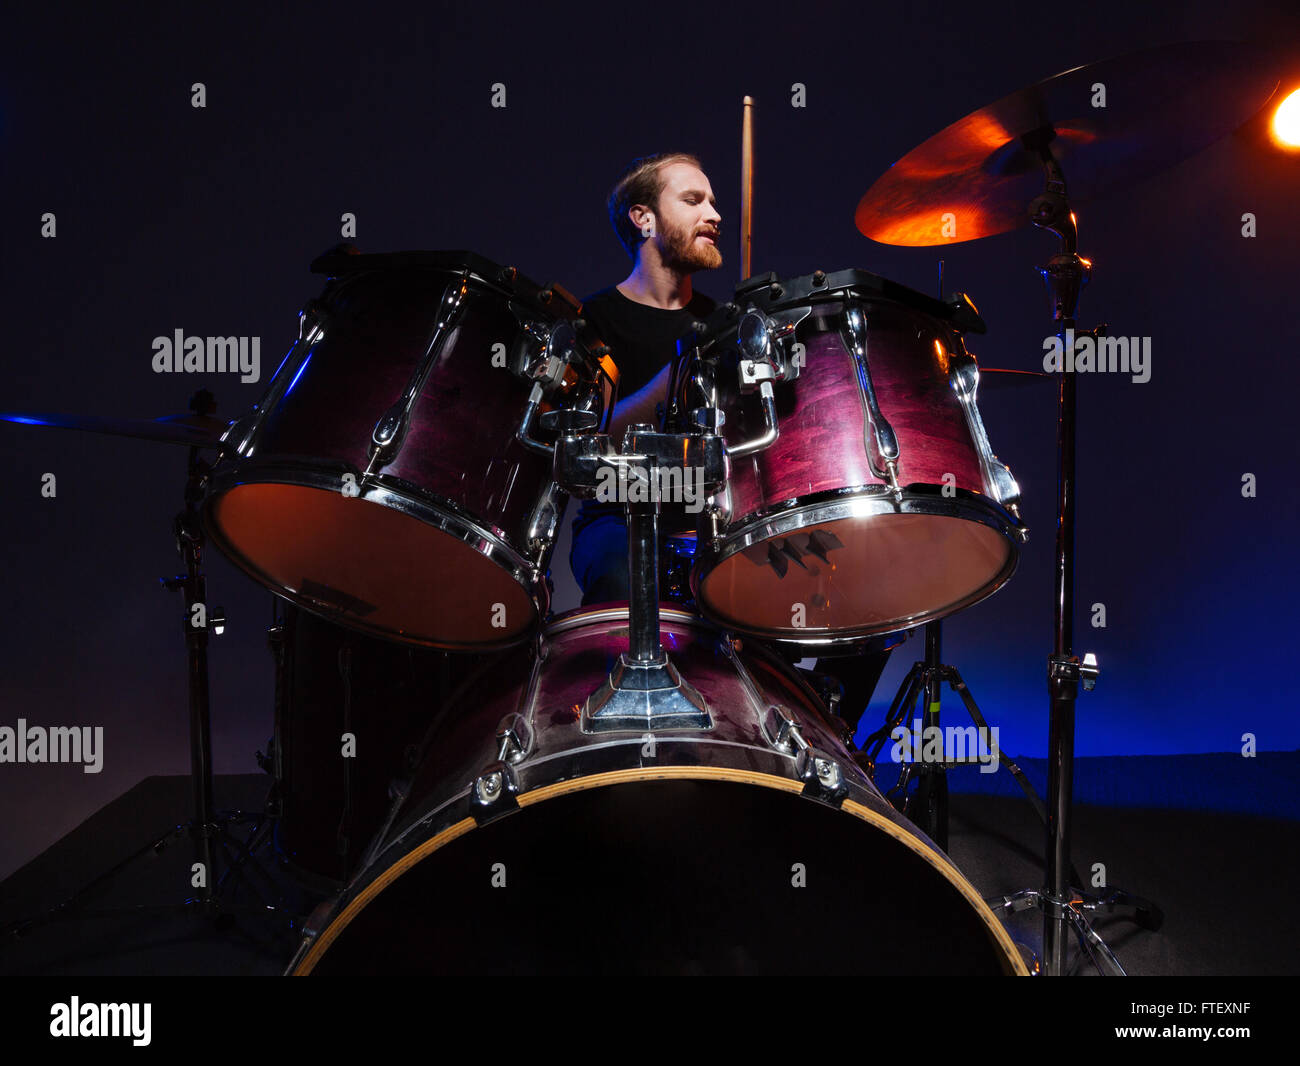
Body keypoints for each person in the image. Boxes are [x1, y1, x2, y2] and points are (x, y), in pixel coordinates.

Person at [569, 151, 903, 733]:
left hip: (719, 526)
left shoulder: (724, 322)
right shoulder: (597, 317)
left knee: (867, 594)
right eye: (694, 201)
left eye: (716, 201)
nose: (715, 213)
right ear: (643, 219)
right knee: (622, 581)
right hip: (620, 519)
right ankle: (622, 747)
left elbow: (757, 446)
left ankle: (816, 736)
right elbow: (599, 432)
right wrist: (679, 369)